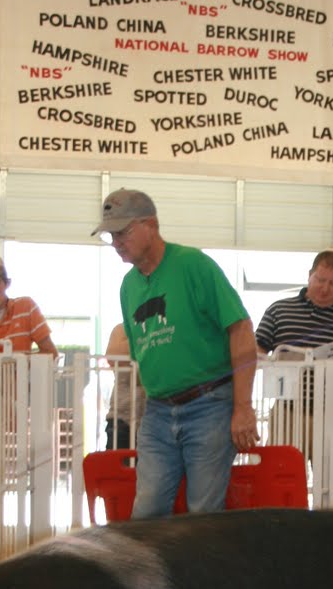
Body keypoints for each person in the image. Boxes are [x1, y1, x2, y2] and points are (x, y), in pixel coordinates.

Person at [96, 188, 259, 517]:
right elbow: (141, 349)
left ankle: (202, 570)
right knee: (146, 511)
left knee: (203, 513)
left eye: (123, 232)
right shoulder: (129, 286)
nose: (117, 242)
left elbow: (240, 329)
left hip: (210, 404)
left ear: (151, 225)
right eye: (111, 235)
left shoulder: (193, 265)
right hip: (156, 410)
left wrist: (242, 407)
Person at [255, 248, 333, 495]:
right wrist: (271, 361)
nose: (324, 288)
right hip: (287, 412)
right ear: (309, 275)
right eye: (320, 280)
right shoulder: (279, 311)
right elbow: (256, 351)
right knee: (280, 485)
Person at [102, 322, 146, 450]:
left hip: (155, 419)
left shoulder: (125, 331)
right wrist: (152, 340)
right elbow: (113, 355)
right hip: (121, 420)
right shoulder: (121, 329)